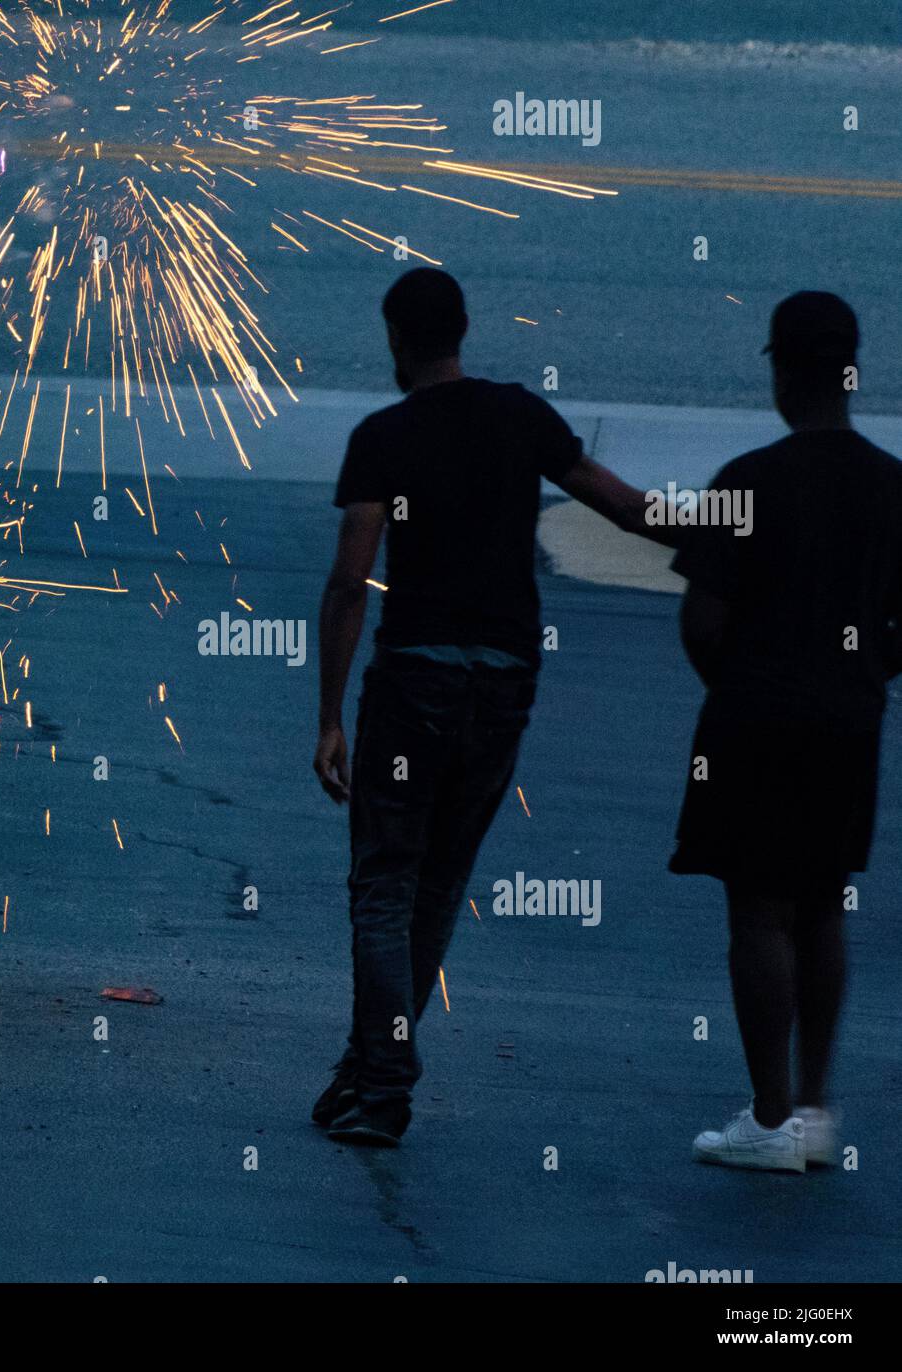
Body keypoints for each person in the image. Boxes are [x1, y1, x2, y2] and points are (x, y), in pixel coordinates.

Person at [312, 267, 673, 1146]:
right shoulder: (522, 417)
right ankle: (368, 1068)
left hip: (415, 682)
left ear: (397, 340)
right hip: (505, 682)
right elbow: (628, 510)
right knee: (437, 884)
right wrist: (742, 528)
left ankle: (384, 1079)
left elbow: (350, 584)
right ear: (464, 332)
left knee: (384, 882)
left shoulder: (382, 438)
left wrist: (329, 718)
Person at [671, 291, 902, 1173]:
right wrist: (863, 673)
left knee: (759, 911)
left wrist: (740, 689)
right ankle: (812, 1109)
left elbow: (701, 619)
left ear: (781, 368)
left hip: (756, 716)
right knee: (823, 903)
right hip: (849, 721)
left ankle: (766, 1118)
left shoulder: (746, 480)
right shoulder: (891, 486)